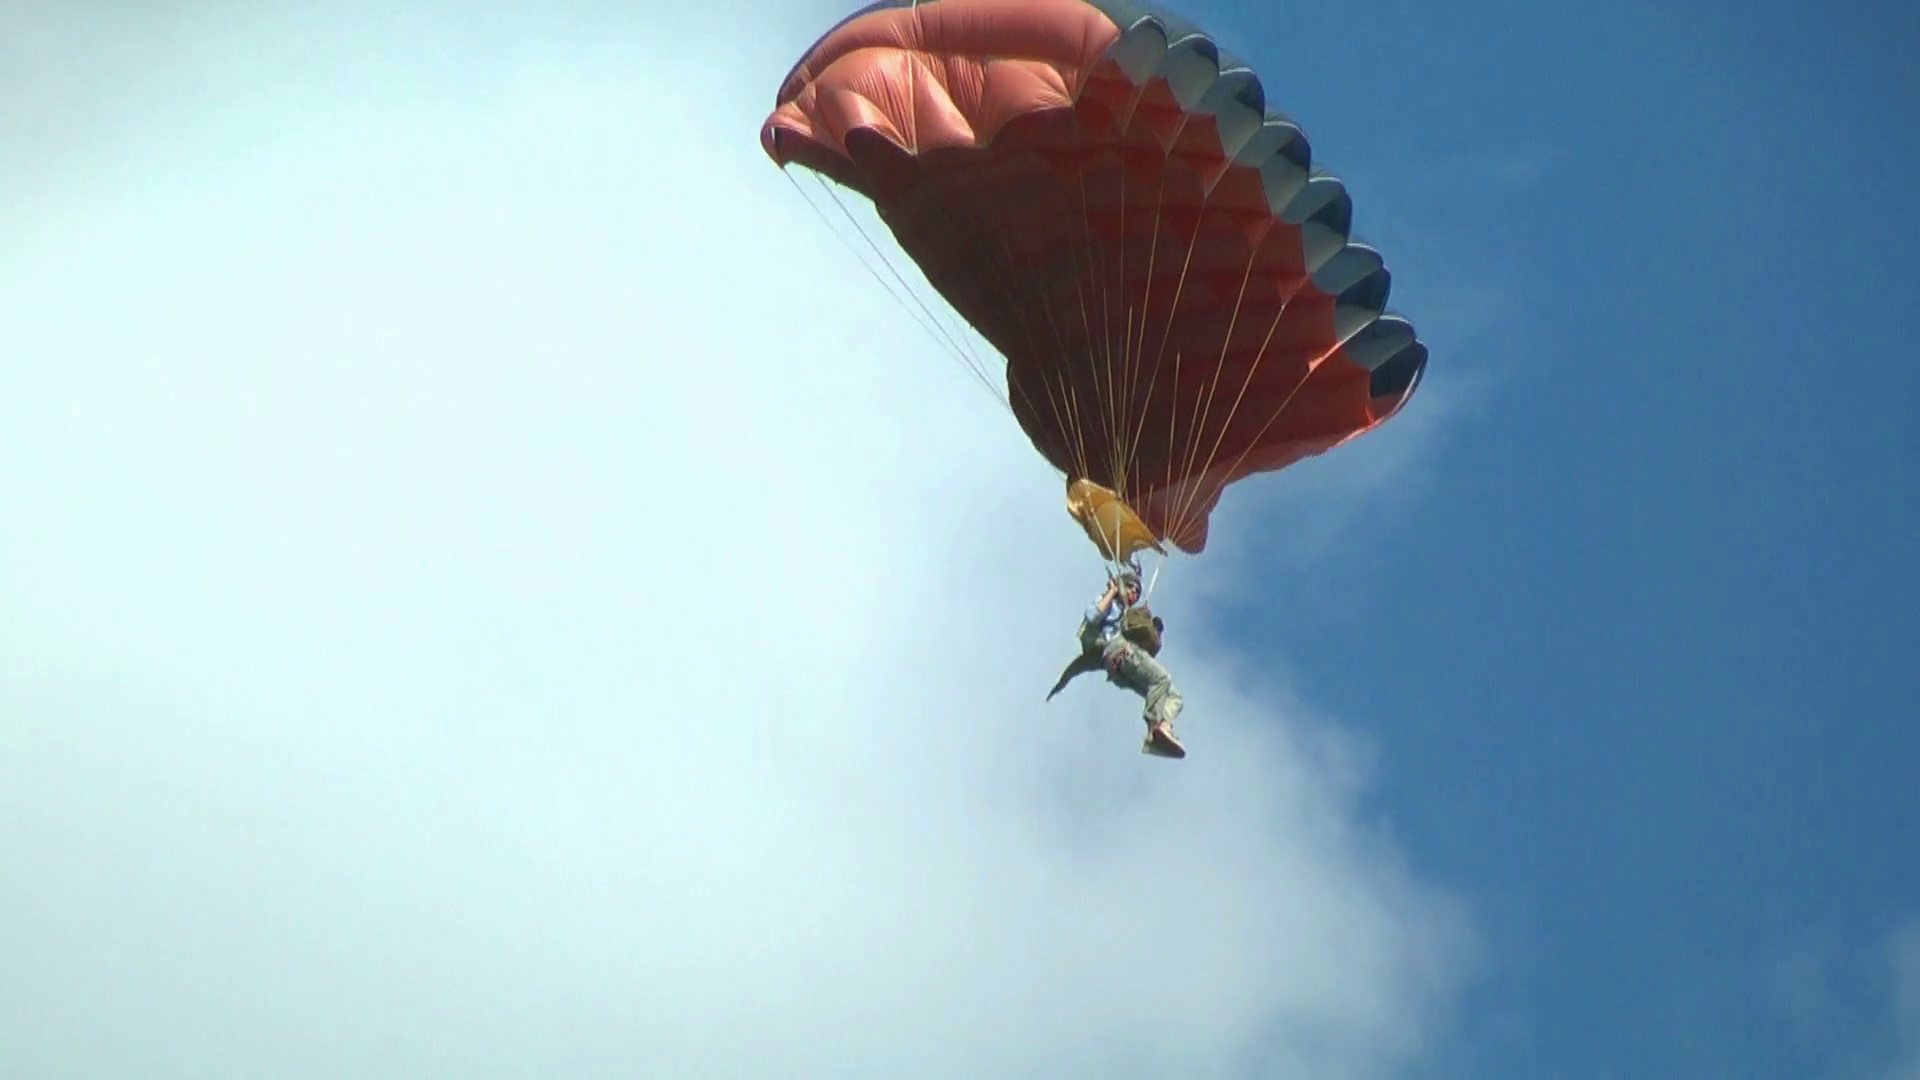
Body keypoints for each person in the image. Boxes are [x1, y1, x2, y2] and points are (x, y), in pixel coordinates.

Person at [1045, 566, 1187, 757]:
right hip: (1120, 652)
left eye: (1137, 591)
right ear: (1122, 586)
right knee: (1162, 679)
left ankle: (1161, 731)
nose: (1134, 594)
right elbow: (1092, 616)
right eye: (1131, 588)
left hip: (1122, 667)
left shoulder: (1125, 615)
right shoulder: (1110, 604)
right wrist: (1112, 591)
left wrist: (1150, 630)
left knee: (1174, 696)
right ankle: (1154, 728)